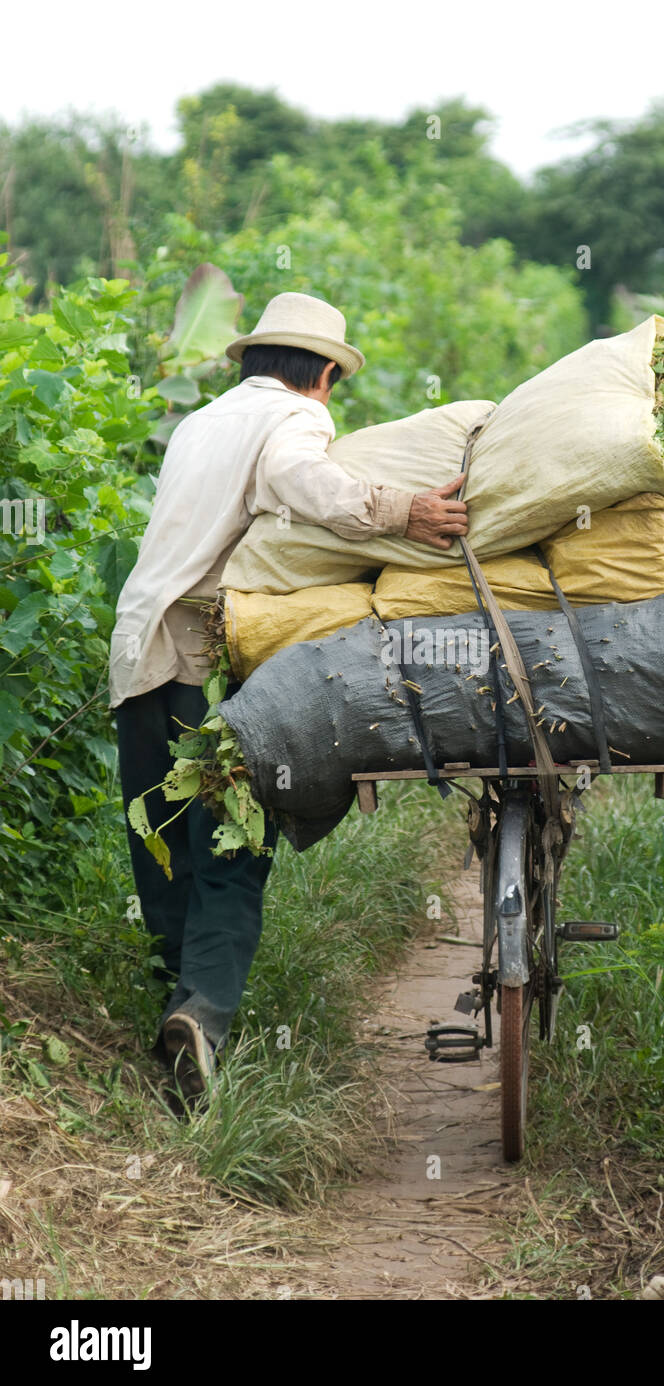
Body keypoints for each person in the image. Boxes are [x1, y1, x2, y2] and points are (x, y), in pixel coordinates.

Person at [110, 291, 468, 1104]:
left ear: (253, 362)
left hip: (138, 653)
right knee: (232, 850)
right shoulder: (296, 422)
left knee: (163, 847)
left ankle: (169, 1017)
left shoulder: (201, 423)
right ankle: (200, 1017)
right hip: (206, 654)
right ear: (326, 375)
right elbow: (305, 485)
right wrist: (403, 511)